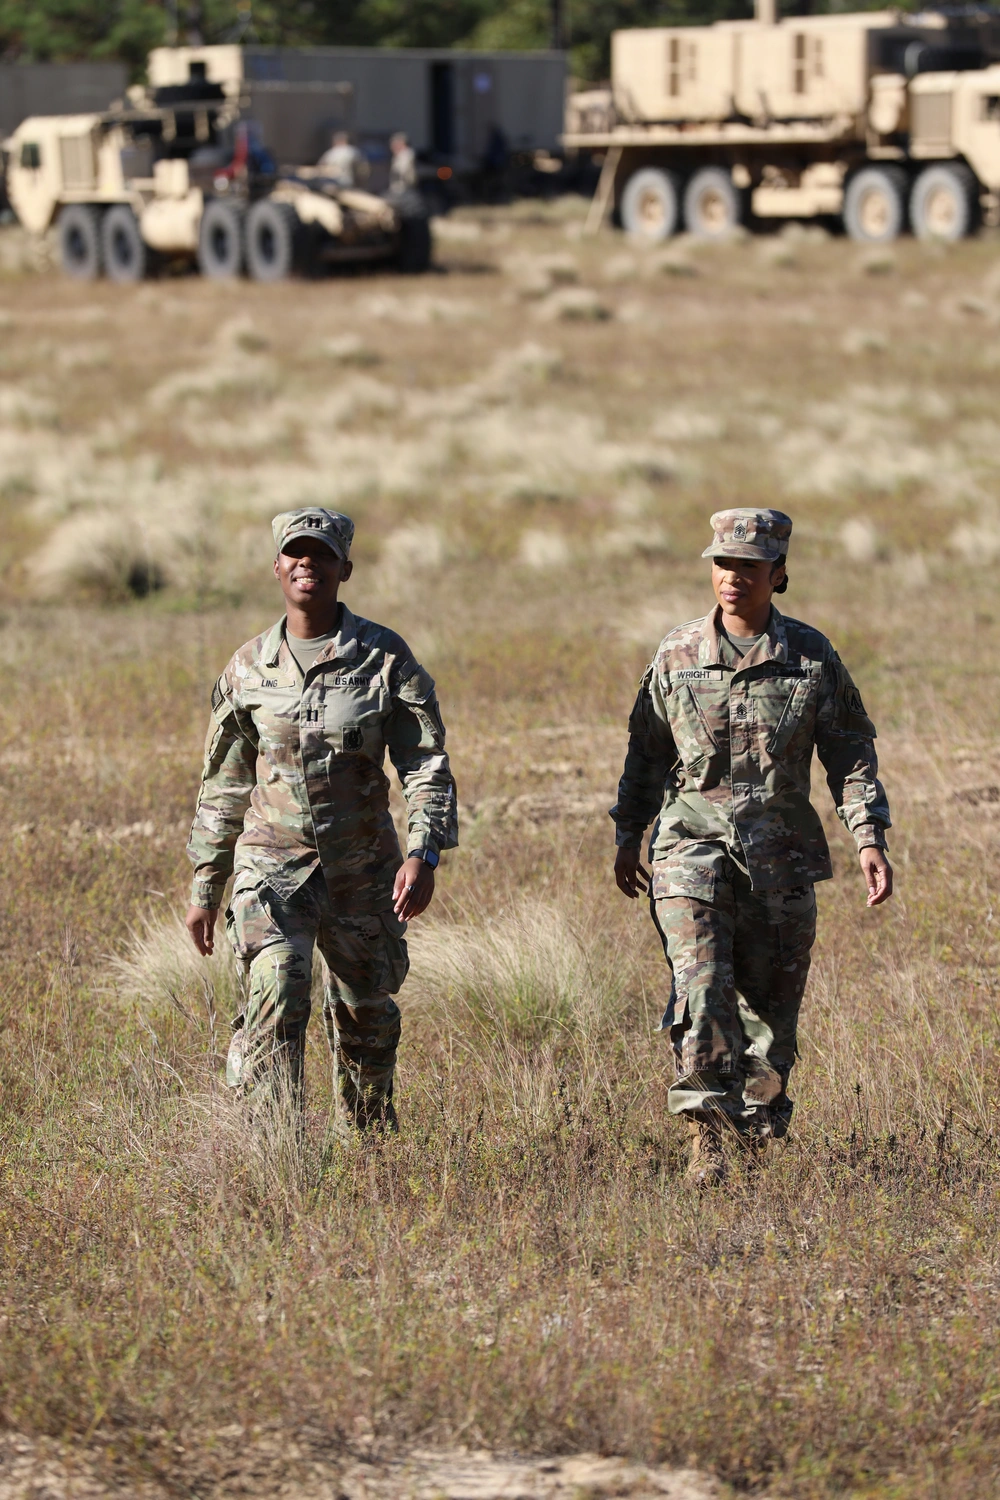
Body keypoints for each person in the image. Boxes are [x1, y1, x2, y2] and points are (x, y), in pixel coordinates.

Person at [611, 508, 892, 1185]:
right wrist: (629, 832)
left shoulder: (811, 657)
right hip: (690, 849)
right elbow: (645, 752)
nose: (732, 577)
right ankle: (708, 1135)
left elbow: (850, 754)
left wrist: (868, 837)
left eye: (748, 565)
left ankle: (757, 1137)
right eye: (722, 563)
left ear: (779, 573)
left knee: (771, 1009)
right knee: (701, 986)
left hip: (783, 853)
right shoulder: (677, 655)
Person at [185, 508, 458, 1133]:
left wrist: (424, 850)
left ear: (345, 568)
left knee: (366, 1012)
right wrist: (207, 884)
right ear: (277, 567)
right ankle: (272, 1149)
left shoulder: (384, 658)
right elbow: (223, 784)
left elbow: (425, 762)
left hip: (364, 869)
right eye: (296, 554)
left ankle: (370, 1145)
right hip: (271, 866)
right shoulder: (248, 667)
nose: (308, 563)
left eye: (322, 554)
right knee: (277, 987)